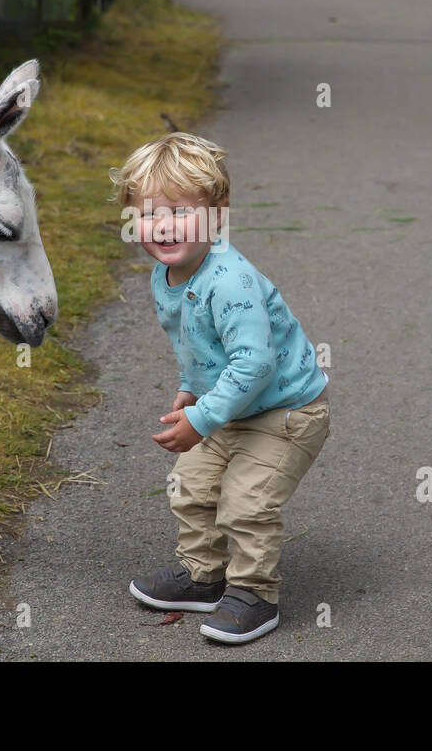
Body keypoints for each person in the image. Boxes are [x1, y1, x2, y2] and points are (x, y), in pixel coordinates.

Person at [108, 132, 330, 644]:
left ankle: (254, 593)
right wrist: (191, 388)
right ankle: (204, 577)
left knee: (246, 502)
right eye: (148, 214)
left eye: (180, 212)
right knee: (191, 485)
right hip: (228, 405)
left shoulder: (229, 280)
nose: (162, 226)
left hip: (286, 412)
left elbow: (254, 365)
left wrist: (202, 419)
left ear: (218, 214)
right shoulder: (167, 275)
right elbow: (195, 342)